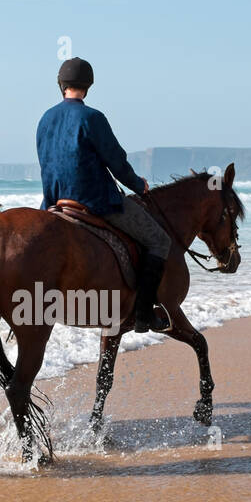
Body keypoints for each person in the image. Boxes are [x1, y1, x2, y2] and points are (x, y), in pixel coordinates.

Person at [36, 58, 171, 332]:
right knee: (160, 241)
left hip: (53, 201)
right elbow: (116, 161)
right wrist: (138, 185)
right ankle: (144, 314)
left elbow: (47, 162)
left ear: (61, 85)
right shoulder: (93, 118)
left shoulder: (45, 119)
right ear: (88, 86)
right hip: (94, 200)